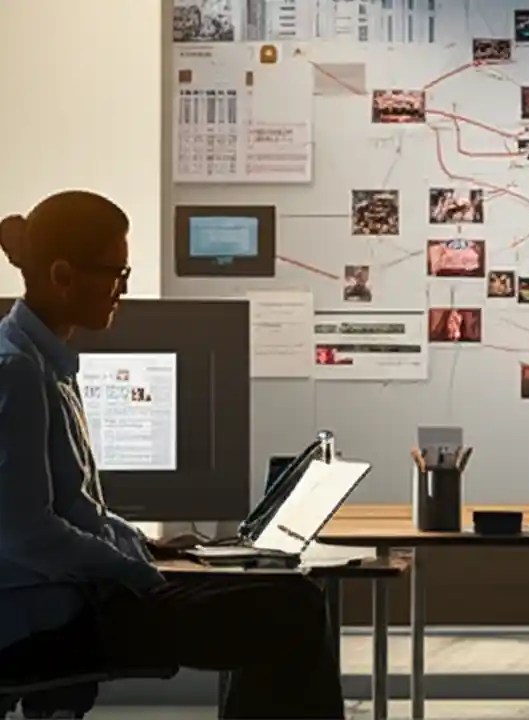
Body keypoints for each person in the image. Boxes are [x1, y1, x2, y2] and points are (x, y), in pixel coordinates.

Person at [0, 191, 345, 719]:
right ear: (63, 275)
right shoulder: (18, 372)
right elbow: (26, 531)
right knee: (291, 609)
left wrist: (148, 546)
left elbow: (76, 507)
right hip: (53, 616)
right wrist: (136, 574)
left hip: (81, 593)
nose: (123, 289)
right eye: (116, 272)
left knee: (285, 592)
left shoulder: (44, 362)